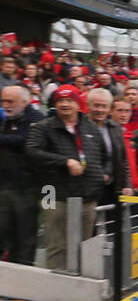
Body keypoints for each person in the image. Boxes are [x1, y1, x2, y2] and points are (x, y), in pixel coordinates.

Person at [26, 85, 107, 271]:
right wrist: (65, 162)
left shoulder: (90, 128)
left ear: (78, 104)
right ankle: (58, 284)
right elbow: (32, 151)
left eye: (69, 100)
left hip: (86, 193)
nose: (64, 104)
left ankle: (83, 280)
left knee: (85, 243)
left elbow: (103, 155)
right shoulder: (43, 127)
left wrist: (103, 174)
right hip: (51, 192)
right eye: (60, 100)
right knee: (55, 242)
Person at [0, 84, 44, 265]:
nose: (5, 105)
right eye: (3, 101)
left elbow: (23, 141)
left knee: (24, 240)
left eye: (10, 101)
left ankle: (23, 283)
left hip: (28, 190)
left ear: (25, 102)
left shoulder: (37, 119)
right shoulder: (4, 120)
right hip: (4, 187)